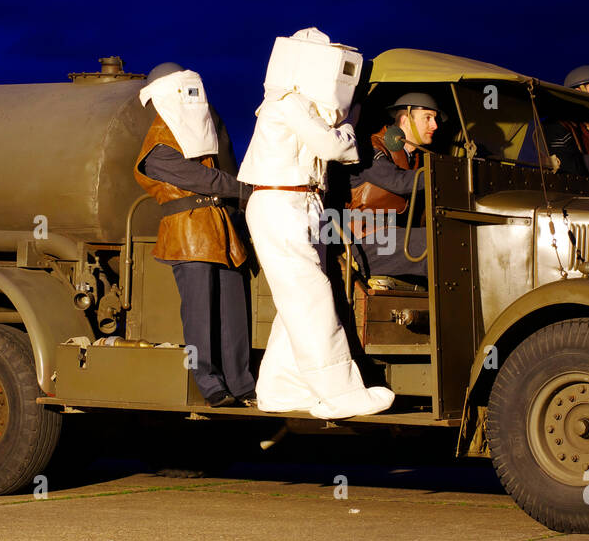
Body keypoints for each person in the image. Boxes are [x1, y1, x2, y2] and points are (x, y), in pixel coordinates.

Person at [237, 28, 395, 419]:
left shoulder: (298, 104)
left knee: (298, 302)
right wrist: (350, 123)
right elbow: (335, 146)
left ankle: (279, 390)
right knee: (312, 298)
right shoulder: (288, 102)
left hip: (300, 203)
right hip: (281, 202)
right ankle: (341, 394)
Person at [133, 62, 256, 408]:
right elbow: (202, 178)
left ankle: (242, 382)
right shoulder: (159, 140)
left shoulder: (207, 130)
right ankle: (209, 382)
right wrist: (241, 189)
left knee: (234, 312)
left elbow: (223, 170)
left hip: (222, 228)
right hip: (188, 230)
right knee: (200, 314)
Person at [344, 92, 440, 278]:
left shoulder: (416, 159)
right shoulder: (369, 149)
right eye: (427, 118)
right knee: (436, 242)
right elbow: (399, 182)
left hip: (391, 238)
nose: (434, 126)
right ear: (404, 120)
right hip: (363, 242)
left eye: (434, 119)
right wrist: (443, 174)